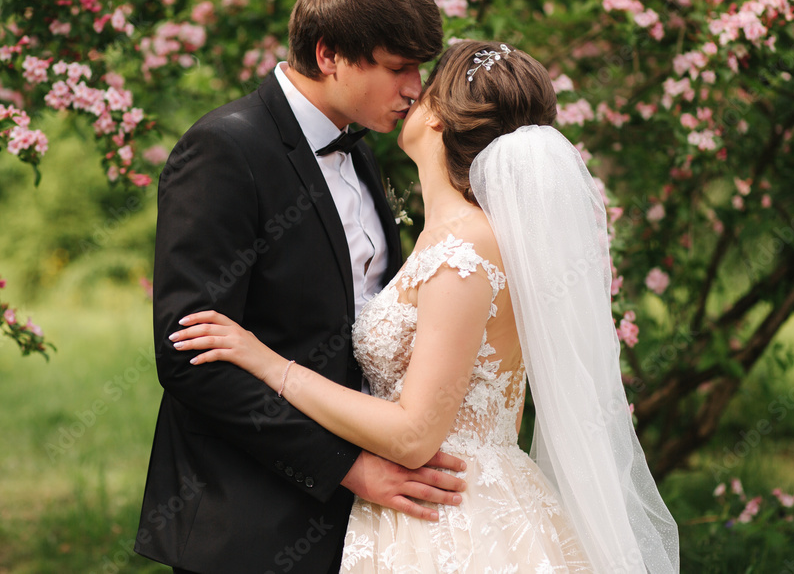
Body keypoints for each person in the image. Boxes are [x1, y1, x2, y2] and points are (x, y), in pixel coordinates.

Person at [173, 40, 681, 572]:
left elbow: (414, 435)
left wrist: (268, 362)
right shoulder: (460, 238)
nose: (412, 92)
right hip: (446, 499)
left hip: (451, 516)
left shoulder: (462, 252)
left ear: (440, 119)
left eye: (425, 83)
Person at [135, 0, 470, 574]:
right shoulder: (224, 150)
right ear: (328, 54)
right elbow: (190, 360)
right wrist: (349, 469)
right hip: (248, 523)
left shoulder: (363, 151)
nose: (413, 90)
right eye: (398, 68)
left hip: (362, 525)